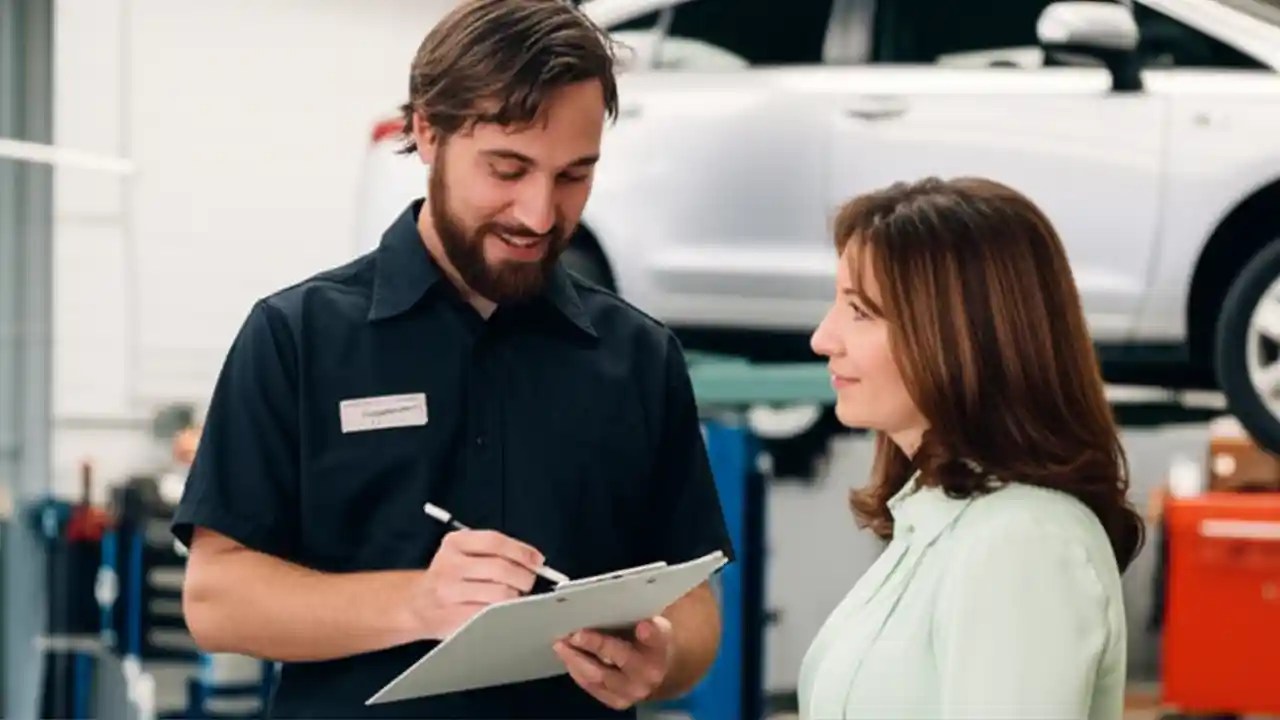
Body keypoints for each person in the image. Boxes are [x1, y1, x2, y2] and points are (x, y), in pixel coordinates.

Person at [171, 1, 734, 717]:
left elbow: (693, 609)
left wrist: (660, 658)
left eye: (573, 177)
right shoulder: (297, 337)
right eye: (507, 169)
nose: (538, 214)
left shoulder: (639, 357)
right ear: (427, 131)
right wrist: (416, 602)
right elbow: (218, 599)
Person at [799, 177, 1146, 720]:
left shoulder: (1024, 541)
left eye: (860, 311)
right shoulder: (940, 522)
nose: (824, 337)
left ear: (957, 334)